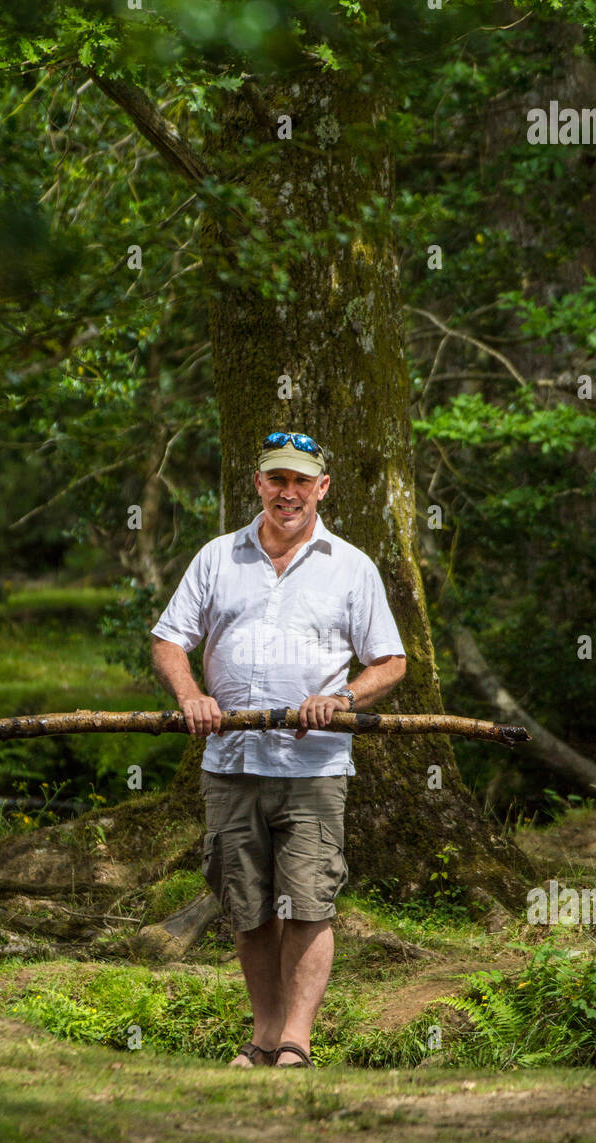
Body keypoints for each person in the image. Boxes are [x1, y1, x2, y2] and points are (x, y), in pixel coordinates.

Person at [150, 430, 406, 1067]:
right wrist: (190, 697)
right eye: (276, 480)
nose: (287, 493)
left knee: (309, 902)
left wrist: (343, 700)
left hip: (313, 764)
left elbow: (392, 661)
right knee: (249, 907)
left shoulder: (351, 566)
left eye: (301, 482)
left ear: (322, 488)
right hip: (230, 764)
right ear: (258, 484)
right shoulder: (216, 558)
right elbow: (168, 642)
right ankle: (263, 1038)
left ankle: (297, 1039)